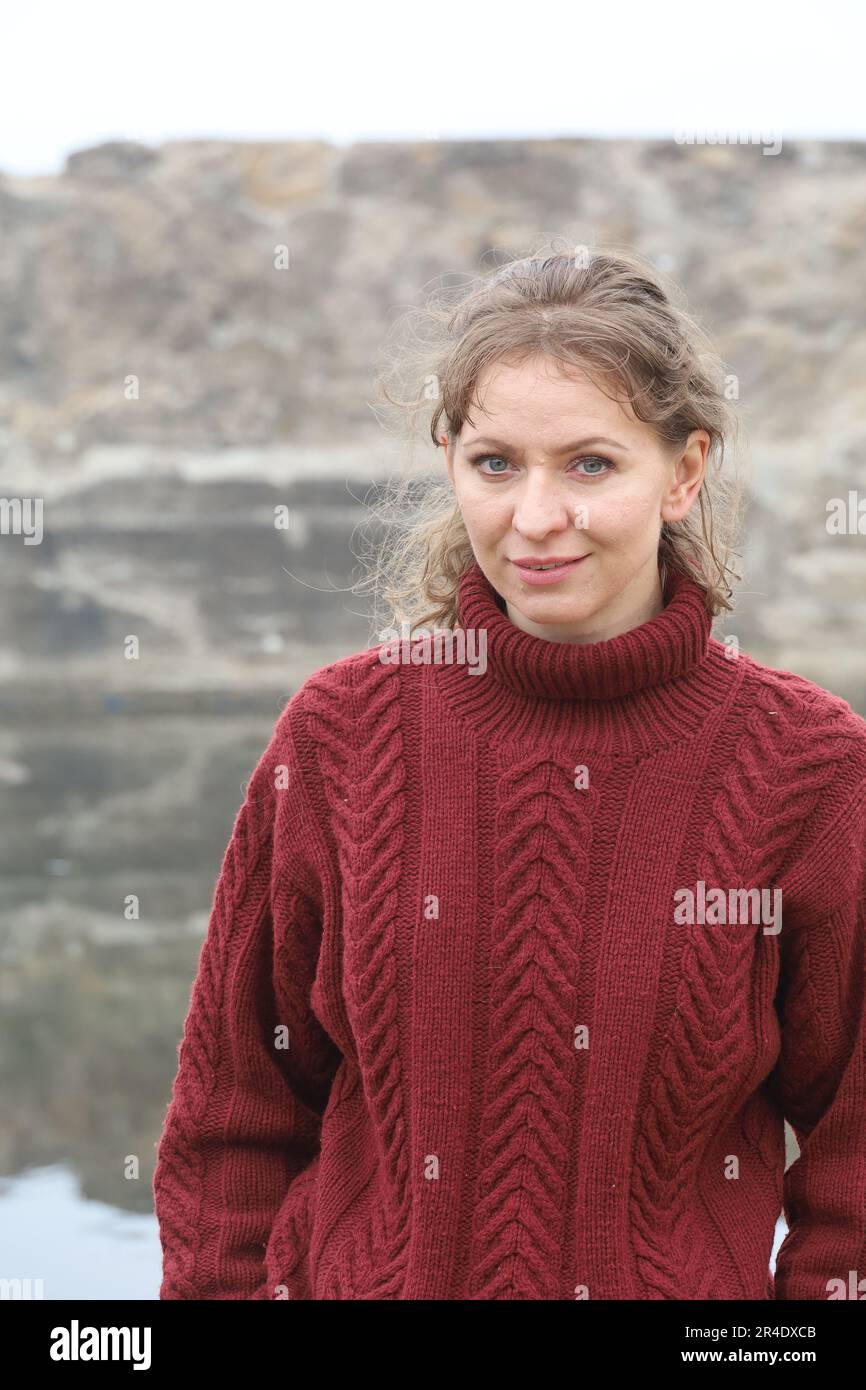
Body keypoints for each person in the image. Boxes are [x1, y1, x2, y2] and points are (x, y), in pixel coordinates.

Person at [153, 245, 866, 1300]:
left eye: (588, 464)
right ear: (449, 460)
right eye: (495, 463)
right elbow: (235, 1114)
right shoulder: (340, 736)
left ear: (681, 472)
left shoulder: (808, 770)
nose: (534, 518)